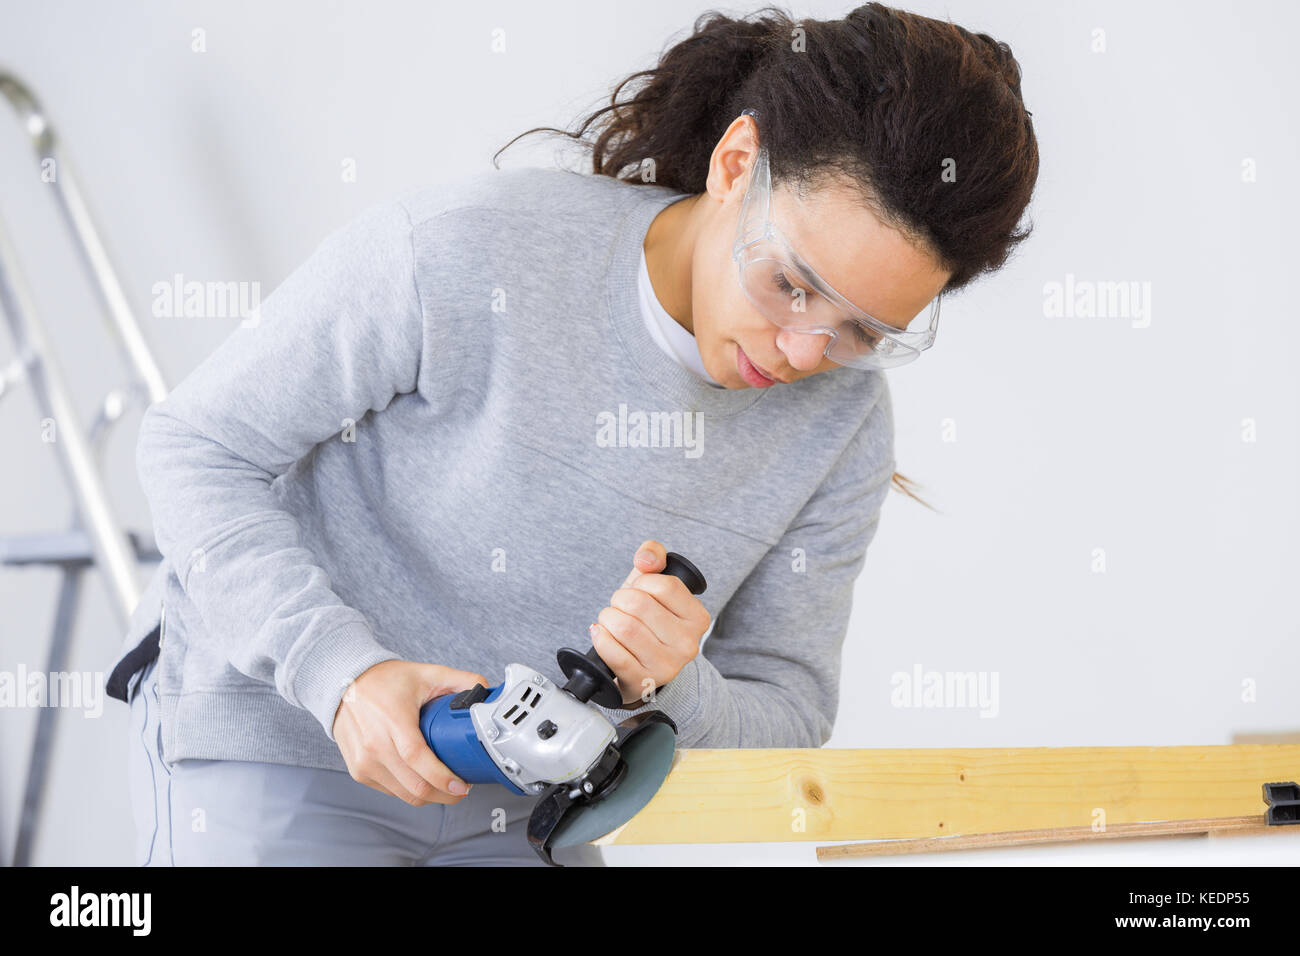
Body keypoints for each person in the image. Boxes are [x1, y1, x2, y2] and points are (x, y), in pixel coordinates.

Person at [107, 2, 1039, 866]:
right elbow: (199, 447)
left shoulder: (843, 424)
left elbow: (787, 711)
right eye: (791, 284)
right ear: (735, 164)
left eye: (862, 332)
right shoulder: (463, 249)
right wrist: (342, 675)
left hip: (530, 804)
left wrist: (675, 684)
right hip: (282, 741)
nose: (803, 351)